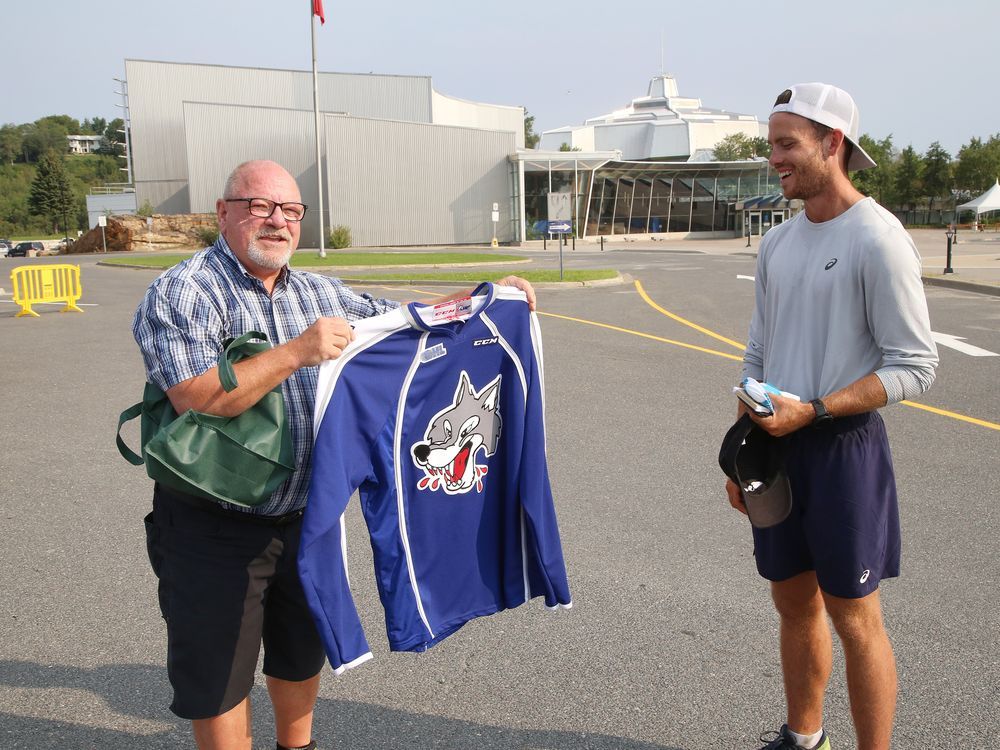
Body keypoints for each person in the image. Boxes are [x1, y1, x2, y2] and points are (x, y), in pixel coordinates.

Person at [132, 159, 536, 750]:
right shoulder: (182, 290)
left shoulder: (319, 291)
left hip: (303, 518)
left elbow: (402, 325)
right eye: (260, 207)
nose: (278, 221)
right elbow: (196, 397)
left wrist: (482, 298)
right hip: (211, 522)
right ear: (223, 213)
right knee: (218, 674)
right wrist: (296, 352)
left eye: (291, 210)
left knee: (299, 651)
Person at [726, 84, 938, 750]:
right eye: (772, 145)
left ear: (832, 144)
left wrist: (815, 409)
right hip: (774, 447)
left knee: (855, 619)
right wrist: (741, 451)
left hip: (842, 450)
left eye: (787, 145)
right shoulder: (778, 243)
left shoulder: (877, 238)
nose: (775, 159)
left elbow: (916, 365)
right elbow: (758, 351)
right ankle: (804, 736)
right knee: (792, 605)